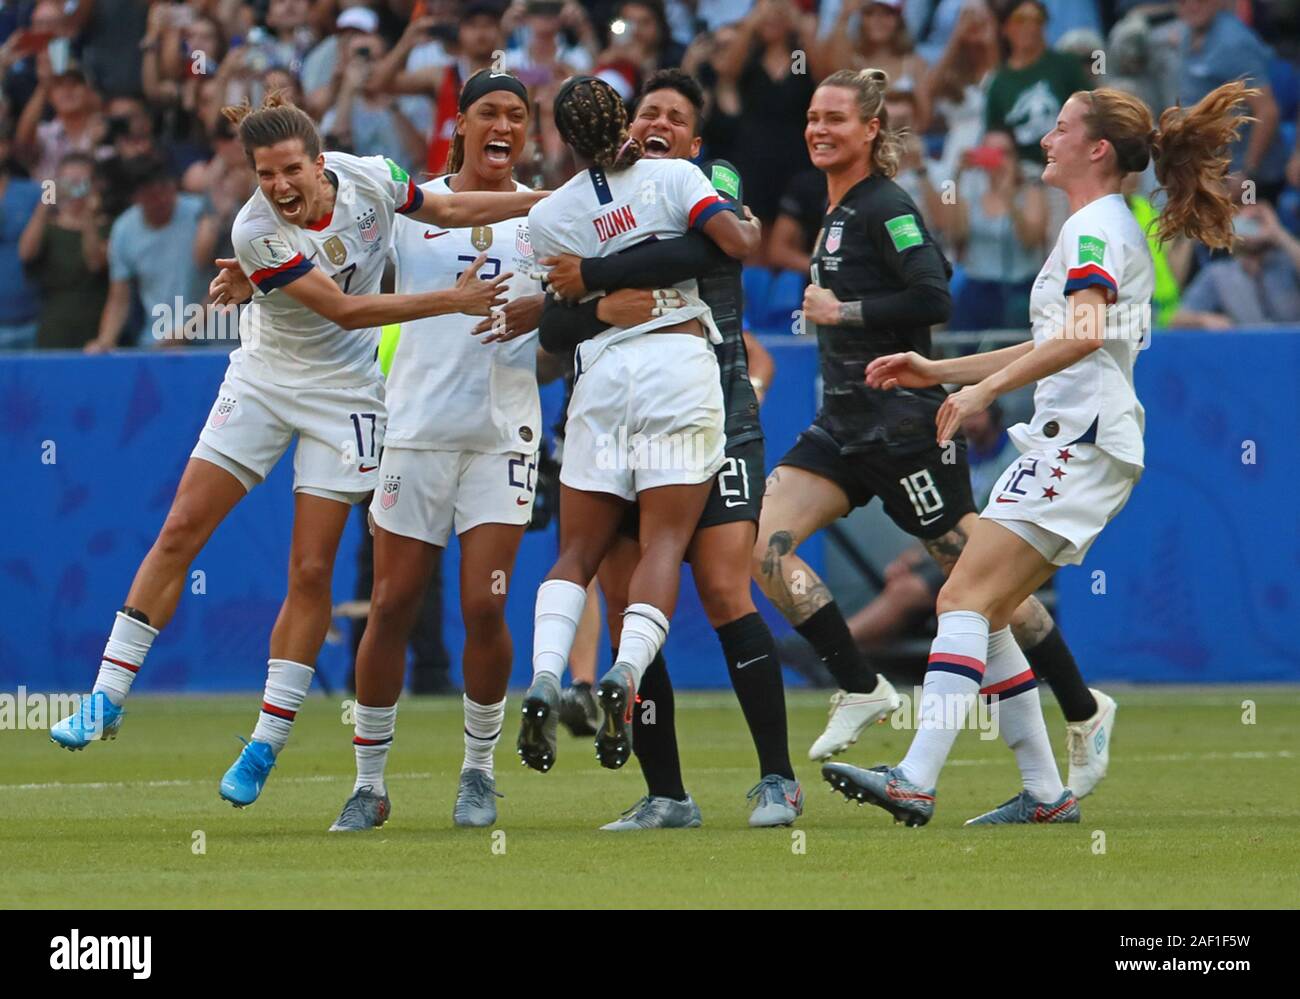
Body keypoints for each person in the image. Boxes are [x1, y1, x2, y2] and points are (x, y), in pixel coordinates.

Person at [49, 93, 543, 814]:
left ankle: (264, 741)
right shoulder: (254, 229)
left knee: (312, 568)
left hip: (347, 396)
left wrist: (554, 197)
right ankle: (106, 694)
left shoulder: (371, 178)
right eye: (263, 173)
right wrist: (451, 301)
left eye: (289, 171)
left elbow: (448, 211)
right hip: (265, 378)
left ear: (319, 162)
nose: (277, 187)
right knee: (182, 528)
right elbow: (345, 310)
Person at [825, 81, 1254, 826]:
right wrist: (941, 371)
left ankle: (916, 777)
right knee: (986, 611)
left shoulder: (1094, 228)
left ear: (1095, 149)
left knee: (960, 597)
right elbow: (1057, 337)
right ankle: (1048, 794)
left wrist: (986, 390)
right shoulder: (1106, 224)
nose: (1045, 141)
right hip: (1086, 441)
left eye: (1059, 129)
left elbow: (1082, 335)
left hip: (1077, 441)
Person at [754, 69, 1114, 801]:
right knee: (765, 548)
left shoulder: (888, 206)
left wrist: (845, 313)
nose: (820, 129)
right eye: (813, 117)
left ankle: (1081, 706)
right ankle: (860, 685)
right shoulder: (832, 209)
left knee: (982, 592)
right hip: (841, 426)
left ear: (871, 131)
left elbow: (933, 293)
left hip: (906, 429)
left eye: (836, 120)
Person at [531, 69, 799, 829]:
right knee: (623, 597)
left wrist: (593, 275)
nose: (658, 122)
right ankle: (666, 792)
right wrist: (598, 306)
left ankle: (776, 777)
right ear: (625, 121)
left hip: (719, 403)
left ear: (694, 137)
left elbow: (717, 251)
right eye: (647, 110)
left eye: (674, 116)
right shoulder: (609, 199)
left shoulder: (699, 182)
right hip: (635, 395)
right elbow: (553, 331)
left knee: (722, 588)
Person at [326, 69, 547, 832]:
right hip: (414, 432)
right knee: (390, 604)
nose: (504, 127)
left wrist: (540, 325)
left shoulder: (547, 220)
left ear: (529, 130)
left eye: (518, 116)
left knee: (484, 603)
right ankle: (368, 781)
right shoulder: (409, 209)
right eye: (490, 112)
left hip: (501, 436)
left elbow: (570, 329)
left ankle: (479, 773)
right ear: (460, 122)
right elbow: (341, 283)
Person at [17, 150, 108, 350]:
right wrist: (46, 202)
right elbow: (25, 253)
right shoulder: (49, 227)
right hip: (55, 326)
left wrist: (88, 212)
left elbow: (95, 263)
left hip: (95, 327)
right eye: (68, 182)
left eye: (82, 182)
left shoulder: (107, 225)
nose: (75, 189)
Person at [1172, 200, 1300, 328]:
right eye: (1244, 223)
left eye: (1257, 221)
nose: (1251, 229)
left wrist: (1278, 233)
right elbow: (1176, 320)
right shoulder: (1219, 274)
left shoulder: (1287, 263)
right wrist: (1203, 320)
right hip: (1247, 345)